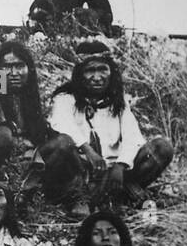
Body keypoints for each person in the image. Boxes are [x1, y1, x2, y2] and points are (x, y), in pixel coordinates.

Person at [44, 40, 173, 213]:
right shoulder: (65, 98)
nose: (97, 77)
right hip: (81, 172)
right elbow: (62, 124)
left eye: (102, 69)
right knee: (62, 143)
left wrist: (121, 165)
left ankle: (121, 188)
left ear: (111, 72)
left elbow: (133, 138)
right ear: (80, 74)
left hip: (113, 172)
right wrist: (88, 150)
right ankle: (81, 196)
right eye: (90, 70)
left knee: (162, 148)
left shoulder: (118, 103)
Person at [0, 39, 55, 185]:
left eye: (19, 66)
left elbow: (38, 132)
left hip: (30, 156)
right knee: (4, 133)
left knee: (63, 143)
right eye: (7, 67)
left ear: (28, 68)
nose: (14, 73)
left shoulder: (28, 91)